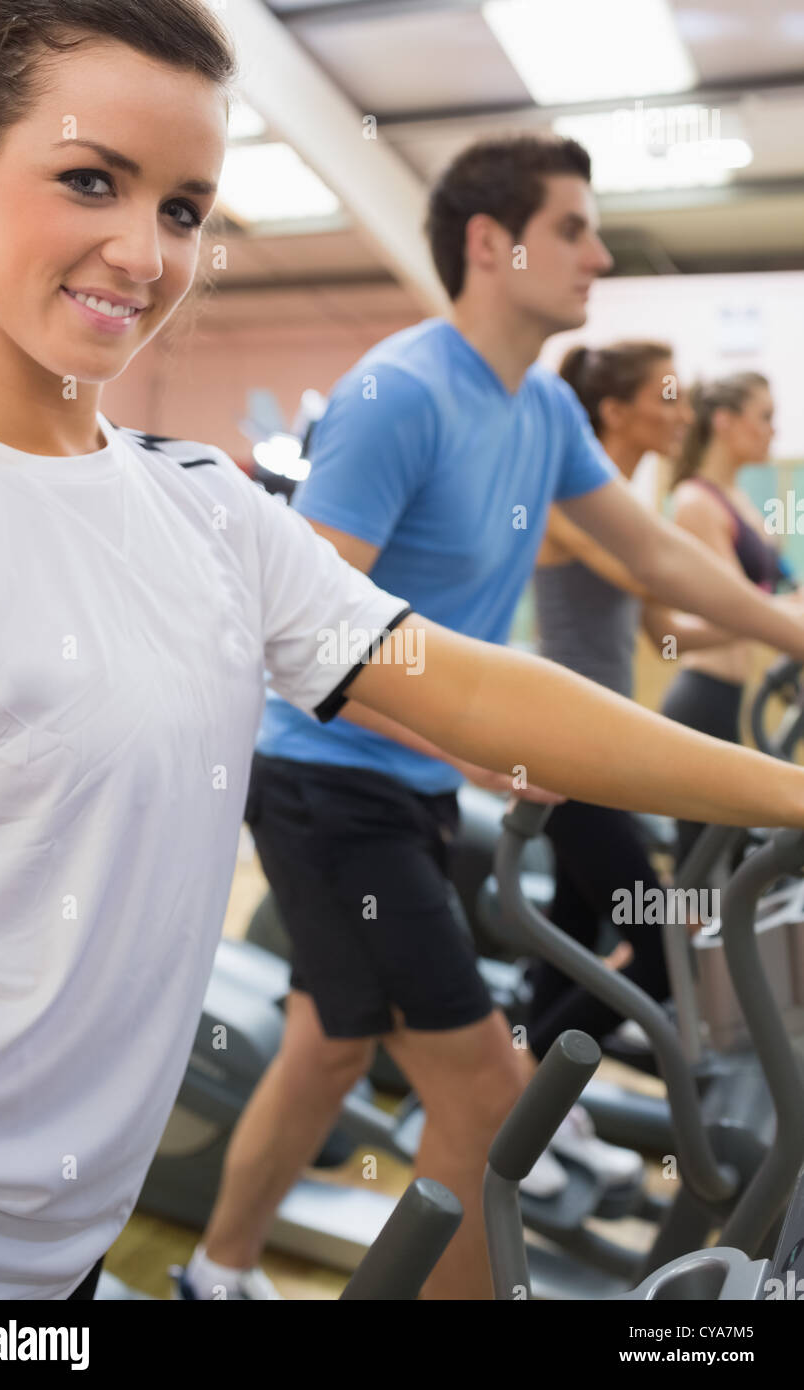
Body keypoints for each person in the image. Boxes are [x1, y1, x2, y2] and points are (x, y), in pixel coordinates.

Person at [0, 1, 803, 1305]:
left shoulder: (202, 505)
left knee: (327, 1049)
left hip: (59, 1241)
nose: (141, 248)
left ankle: (213, 1265)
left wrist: (787, 791)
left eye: (182, 208)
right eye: (86, 182)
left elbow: (463, 682)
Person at [183, 130, 804, 1301]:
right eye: (573, 227)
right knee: (481, 1095)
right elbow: (304, 637)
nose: (600, 253)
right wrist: (477, 748)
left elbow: (665, 567)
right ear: (488, 240)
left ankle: (215, 1273)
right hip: (328, 785)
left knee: (325, 1049)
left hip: (401, 790)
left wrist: (794, 632)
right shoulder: (397, 394)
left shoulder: (542, 414)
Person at [529, 341, 742, 1061]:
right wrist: (767, 611)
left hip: (601, 750)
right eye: (669, 397)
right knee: (660, 947)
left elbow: (669, 632)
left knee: (569, 935)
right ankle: (519, 1088)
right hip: (559, 744)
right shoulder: (570, 500)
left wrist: (772, 620)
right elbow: (656, 572)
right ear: (616, 412)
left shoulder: (623, 510)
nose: (685, 416)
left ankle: (549, 1115)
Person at [660, 372, 794, 867]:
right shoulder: (696, 502)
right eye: (764, 418)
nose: (773, 431)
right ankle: (668, 946)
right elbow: (736, 604)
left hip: (732, 695)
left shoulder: (737, 498)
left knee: (737, 857)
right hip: (702, 698)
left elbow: (782, 590)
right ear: (724, 421)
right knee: (700, 864)